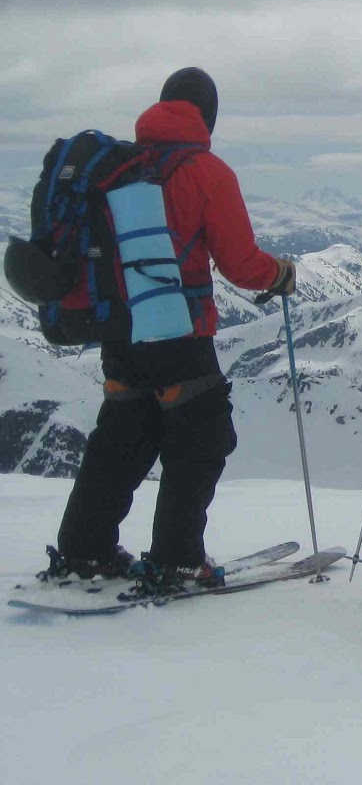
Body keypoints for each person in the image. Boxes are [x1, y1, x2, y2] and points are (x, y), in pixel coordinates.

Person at [44, 67, 296, 595]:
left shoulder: (117, 167)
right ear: (208, 115)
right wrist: (280, 274)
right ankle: (178, 560)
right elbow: (240, 264)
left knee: (123, 436)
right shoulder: (206, 171)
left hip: (117, 331)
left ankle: (84, 548)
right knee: (202, 439)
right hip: (178, 332)